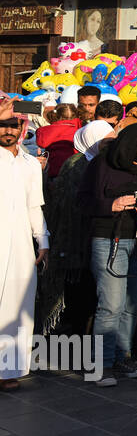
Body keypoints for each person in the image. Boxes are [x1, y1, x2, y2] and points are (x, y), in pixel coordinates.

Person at [81, 123, 137, 387]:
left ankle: (123, 357)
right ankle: (101, 364)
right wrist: (112, 204)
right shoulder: (101, 164)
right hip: (109, 239)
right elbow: (82, 202)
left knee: (132, 305)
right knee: (111, 305)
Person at [0, 102, 49, 392]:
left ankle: (7, 370)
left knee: (17, 304)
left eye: (12, 125)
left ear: (22, 128)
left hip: (20, 244)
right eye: (2, 125)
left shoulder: (30, 163)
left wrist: (42, 240)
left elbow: (35, 204)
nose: (7, 130)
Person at [35, 103, 82, 179]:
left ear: (55, 115)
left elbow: (41, 142)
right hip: (76, 171)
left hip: (54, 171)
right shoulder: (81, 129)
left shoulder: (47, 130)